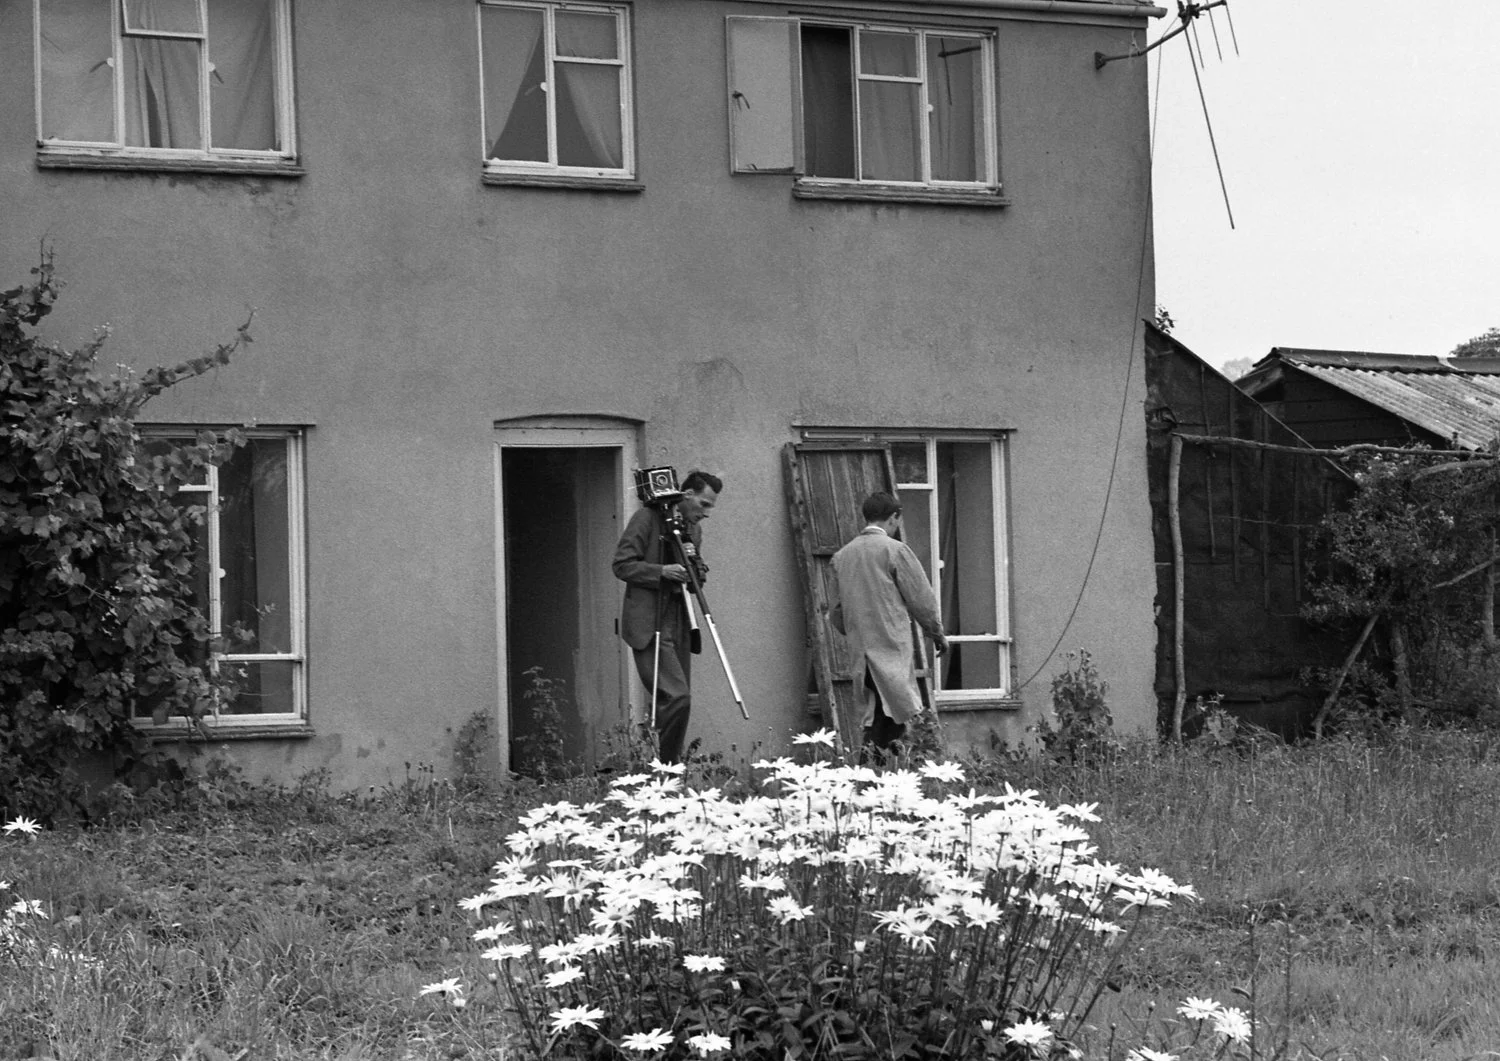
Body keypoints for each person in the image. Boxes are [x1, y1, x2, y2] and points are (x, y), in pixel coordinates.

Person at [612, 470, 723, 763]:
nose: (707, 513)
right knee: (677, 696)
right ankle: (667, 765)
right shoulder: (646, 519)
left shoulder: (693, 531)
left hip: (680, 620)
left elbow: (695, 576)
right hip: (650, 622)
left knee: (676, 700)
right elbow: (622, 565)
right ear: (687, 495)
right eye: (704, 504)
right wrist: (661, 571)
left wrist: (695, 567)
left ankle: (663, 768)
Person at [831, 491, 948, 755]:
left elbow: (836, 612)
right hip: (890, 650)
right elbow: (921, 599)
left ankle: (876, 777)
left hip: (861, 652)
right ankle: (875, 778)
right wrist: (937, 633)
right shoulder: (895, 550)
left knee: (879, 716)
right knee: (893, 716)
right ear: (894, 517)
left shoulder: (841, 556)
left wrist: (856, 630)